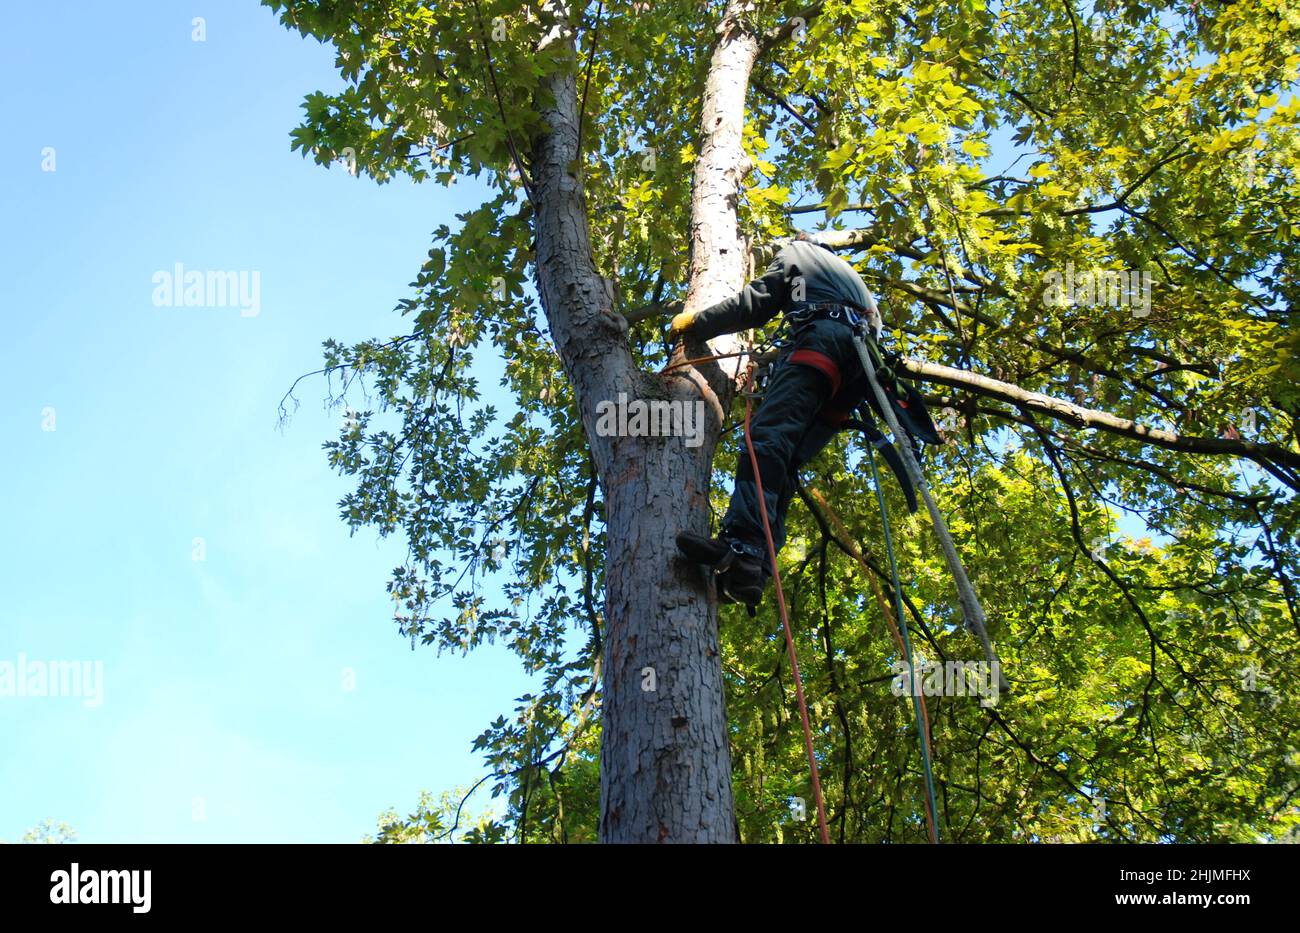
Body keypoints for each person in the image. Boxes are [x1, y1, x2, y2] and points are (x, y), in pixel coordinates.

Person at [670, 233, 886, 608]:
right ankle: (751, 571)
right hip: (853, 375)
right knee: (781, 462)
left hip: (823, 344)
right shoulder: (851, 281)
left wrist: (696, 324)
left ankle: (743, 545)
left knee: (765, 441)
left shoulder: (799, 254)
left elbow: (757, 302)